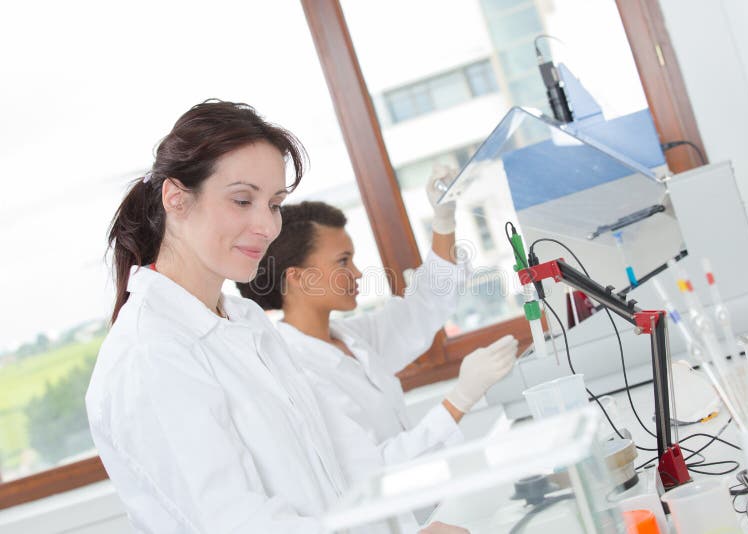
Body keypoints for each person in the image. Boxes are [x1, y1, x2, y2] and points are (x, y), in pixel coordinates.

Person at [85, 100, 352, 533]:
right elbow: (235, 522)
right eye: (243, 200)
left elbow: (326, 475)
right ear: (176, 198)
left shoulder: (244, 319)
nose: (267, 226)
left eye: (275, 204)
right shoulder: (150, 354)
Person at [237, 170, 519, 496]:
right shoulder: (295, 372)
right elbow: (373, 469)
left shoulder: (351, 336)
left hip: (430, 503)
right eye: (343, 261)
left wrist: (443, 221)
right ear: (298, 278)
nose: (358, 273)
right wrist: (460, 399)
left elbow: (424, 304)